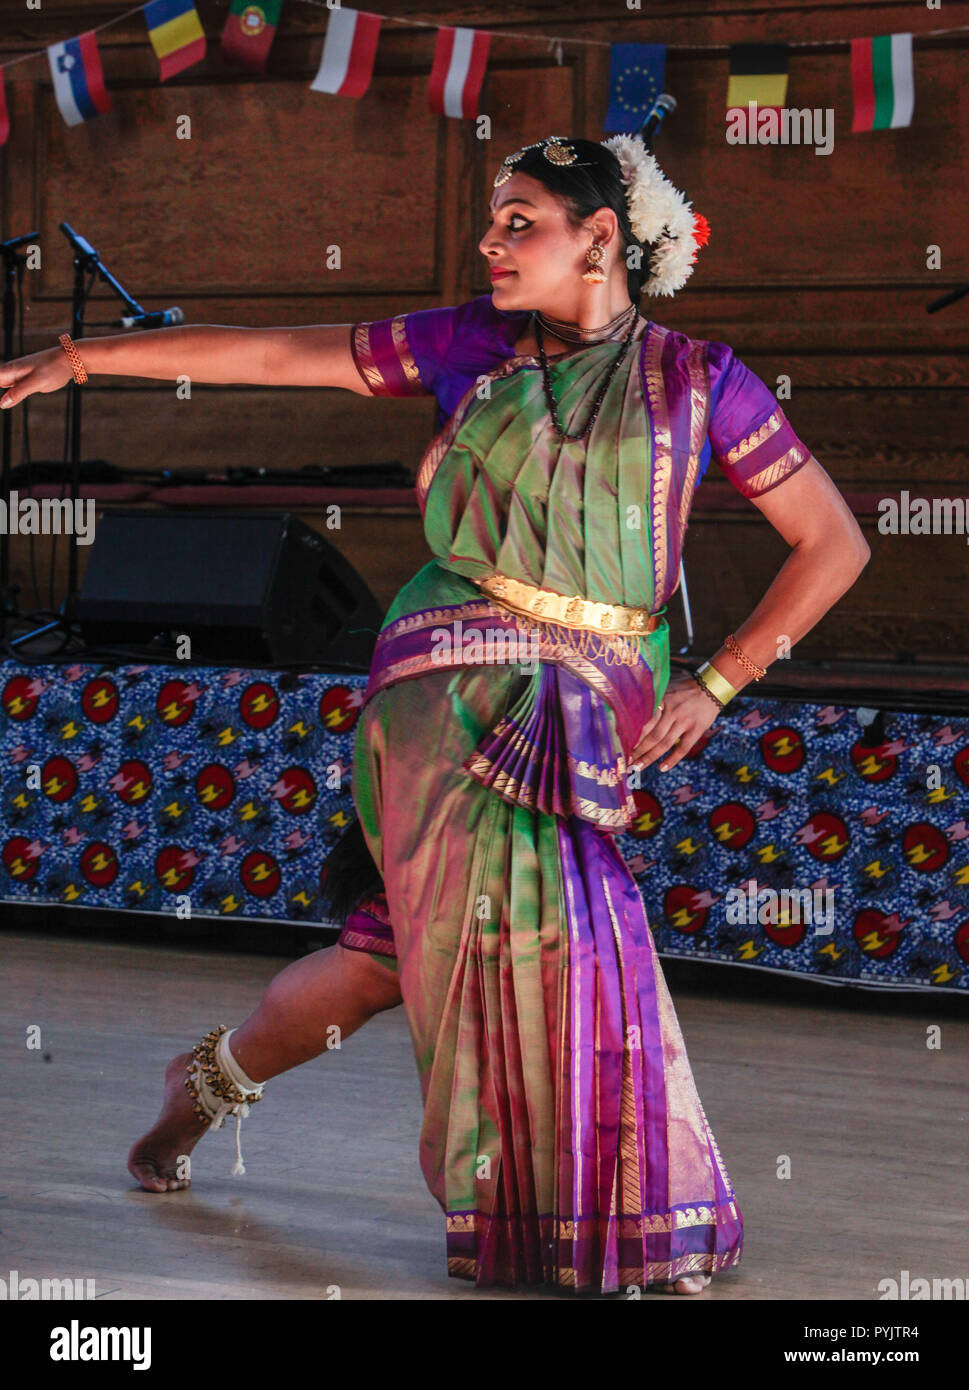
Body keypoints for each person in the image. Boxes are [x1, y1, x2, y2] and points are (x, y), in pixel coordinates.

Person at [0, 132, 870, 1297]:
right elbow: (275, 350)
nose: (490, 243)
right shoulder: (471, 343)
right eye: (492, 221)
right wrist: (90, 358)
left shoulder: (700, 379)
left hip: (591, 708)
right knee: (582, 922)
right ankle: (608, 1216)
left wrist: (718, 680)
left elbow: (835, 542)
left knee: (388, 964)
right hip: (449, 692)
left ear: (600, 237)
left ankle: (194, 1090)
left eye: (521, 222)